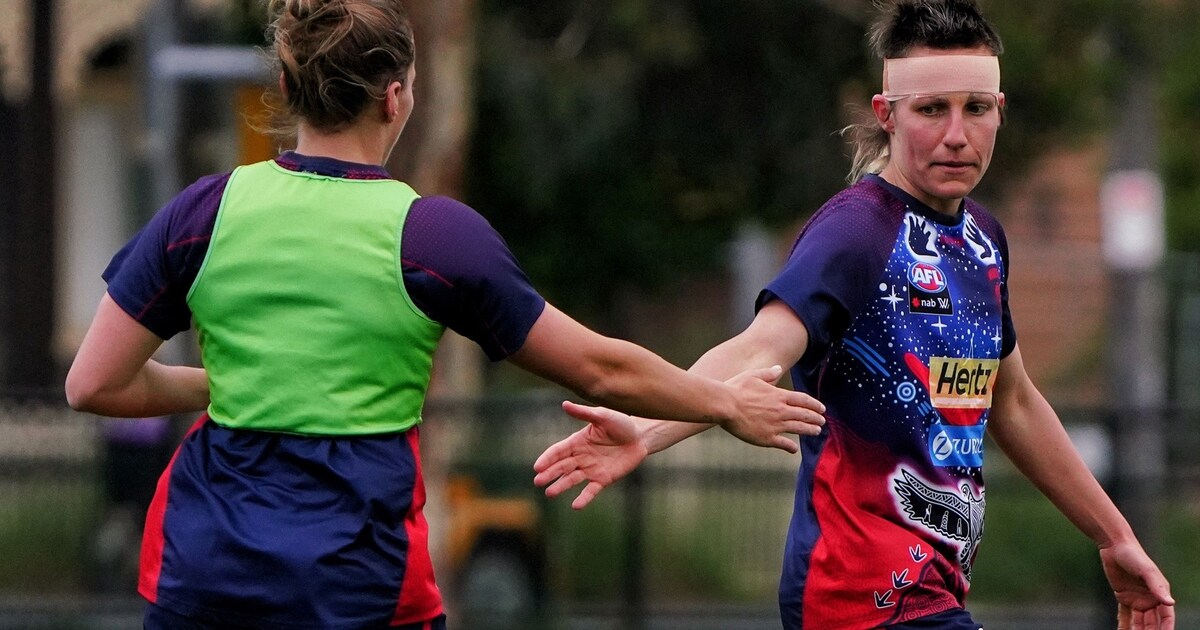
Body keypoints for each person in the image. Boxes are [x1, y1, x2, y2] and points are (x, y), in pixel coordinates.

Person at [63, 1, 827, 628]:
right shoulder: (430, 235)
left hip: (205, 578)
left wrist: (232, 382)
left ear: (290, 89)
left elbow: (93, 384)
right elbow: (600, 366)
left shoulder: (205, 210)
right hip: (356, 586)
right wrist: (722, 401)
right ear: (396, 95)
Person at [532, 1, 1176, 629]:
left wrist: (1115, 537)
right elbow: (758, 350)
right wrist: (644, 430)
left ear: (999, 112)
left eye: (975, 109)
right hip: (857, 601)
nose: (957, 134)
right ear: (887, 115)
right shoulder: (856, 231)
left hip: (934, 595)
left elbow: (1013, 402)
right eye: (931, 110)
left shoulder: (983, 240)